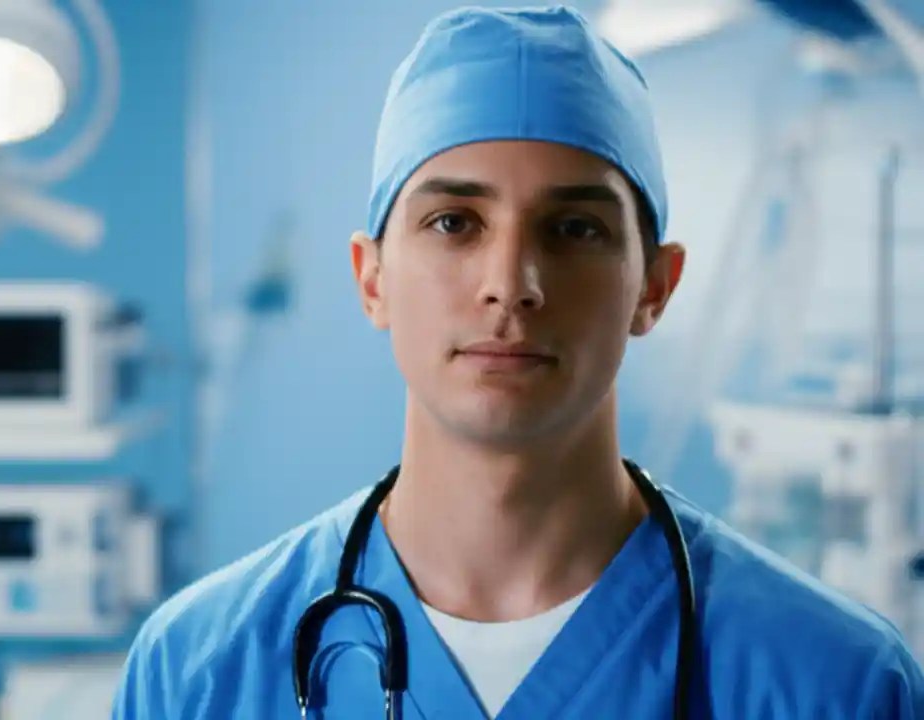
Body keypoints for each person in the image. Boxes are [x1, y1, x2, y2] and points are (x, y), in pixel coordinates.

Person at [111, 6, 924, 718]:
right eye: (454, 224)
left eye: (574, 229)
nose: (511, 285)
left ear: (656, 287)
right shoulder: (200, 673)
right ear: (372, 278)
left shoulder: (832, 682)